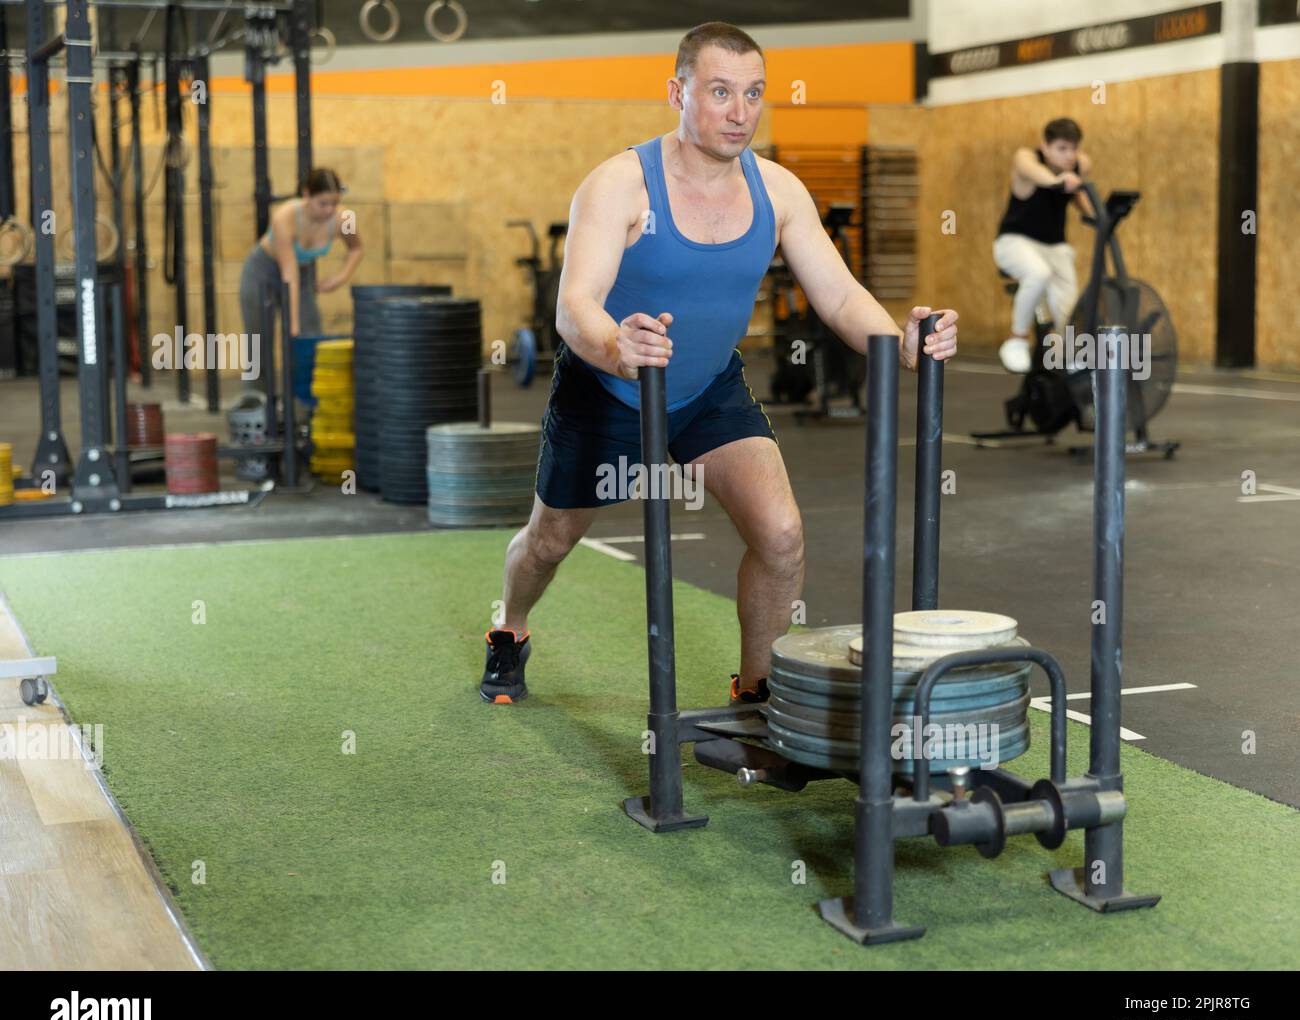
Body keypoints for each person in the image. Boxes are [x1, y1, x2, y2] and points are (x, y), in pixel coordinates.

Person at [480, 21, 958, 705]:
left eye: (755, 94)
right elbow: (575, 306)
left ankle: (759, 697)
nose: (741, 112)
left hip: (706, 388)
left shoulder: (781, 192)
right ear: (677, 91)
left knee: (782, 534)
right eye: (721, 92)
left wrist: (899, 344)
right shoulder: (620, 185)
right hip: (611, 387)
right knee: (549, 540)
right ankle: (510, 628)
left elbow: (841, 295)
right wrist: (620, 347)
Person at [238, 168, 363, 396]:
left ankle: (305, 402)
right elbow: (289, 274)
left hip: (301, 276)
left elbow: (356, 248)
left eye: (334, 203)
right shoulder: (285, 217)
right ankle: (256, 403)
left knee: (309, 336)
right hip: (261, 273)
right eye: (322, 203)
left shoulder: (344, 219)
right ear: (306, 194)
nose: (329, 210)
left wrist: (340, 277)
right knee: (258, 342)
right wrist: (291, 325)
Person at [992, 118, 1092, 373]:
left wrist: (1099, 217)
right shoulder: (1027, 158)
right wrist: (1059, 182)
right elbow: (1035, 172)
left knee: (1068, 301)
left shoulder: (1078, 166)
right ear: (1045, 147)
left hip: (1055, 247)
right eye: (1061, 148)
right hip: (1015, 242)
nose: (1069, 155)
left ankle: (1066, 354)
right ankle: (1016, 340)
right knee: (1038, 273)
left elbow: (1080, 197)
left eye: (1073, 149)